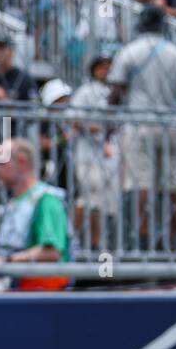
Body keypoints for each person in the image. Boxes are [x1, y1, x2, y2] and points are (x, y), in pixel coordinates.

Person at [109, 5, 176, 250]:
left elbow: (115, 89)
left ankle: (144, 241)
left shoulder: (130, 51)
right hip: (170, 124)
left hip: (139, 123)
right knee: (171, 183)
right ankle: (173, 237)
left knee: (140, 182)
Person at [0, 137, 72, 291]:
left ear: (21, 162)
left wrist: (10, 261)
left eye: (0, 162)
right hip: (18, 291)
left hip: (41, 294)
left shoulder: (47, 199)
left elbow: (53, 251)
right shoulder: (14, 203)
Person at [69, 55, 118, 251]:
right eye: (102, 68)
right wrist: (97, 129)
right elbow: (73, 119)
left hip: (110, 154)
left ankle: (98, 244)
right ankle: (73, 239)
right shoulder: (85, 92)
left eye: (109, 67)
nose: (106, 71)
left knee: (104, 203)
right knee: (89, 199)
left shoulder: (114, 92)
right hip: (89, 153)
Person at [0, 37, 34, 101]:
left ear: (12, 52)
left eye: (1, 48)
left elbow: (34, 107)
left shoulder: (24, 79)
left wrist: (5, 100)